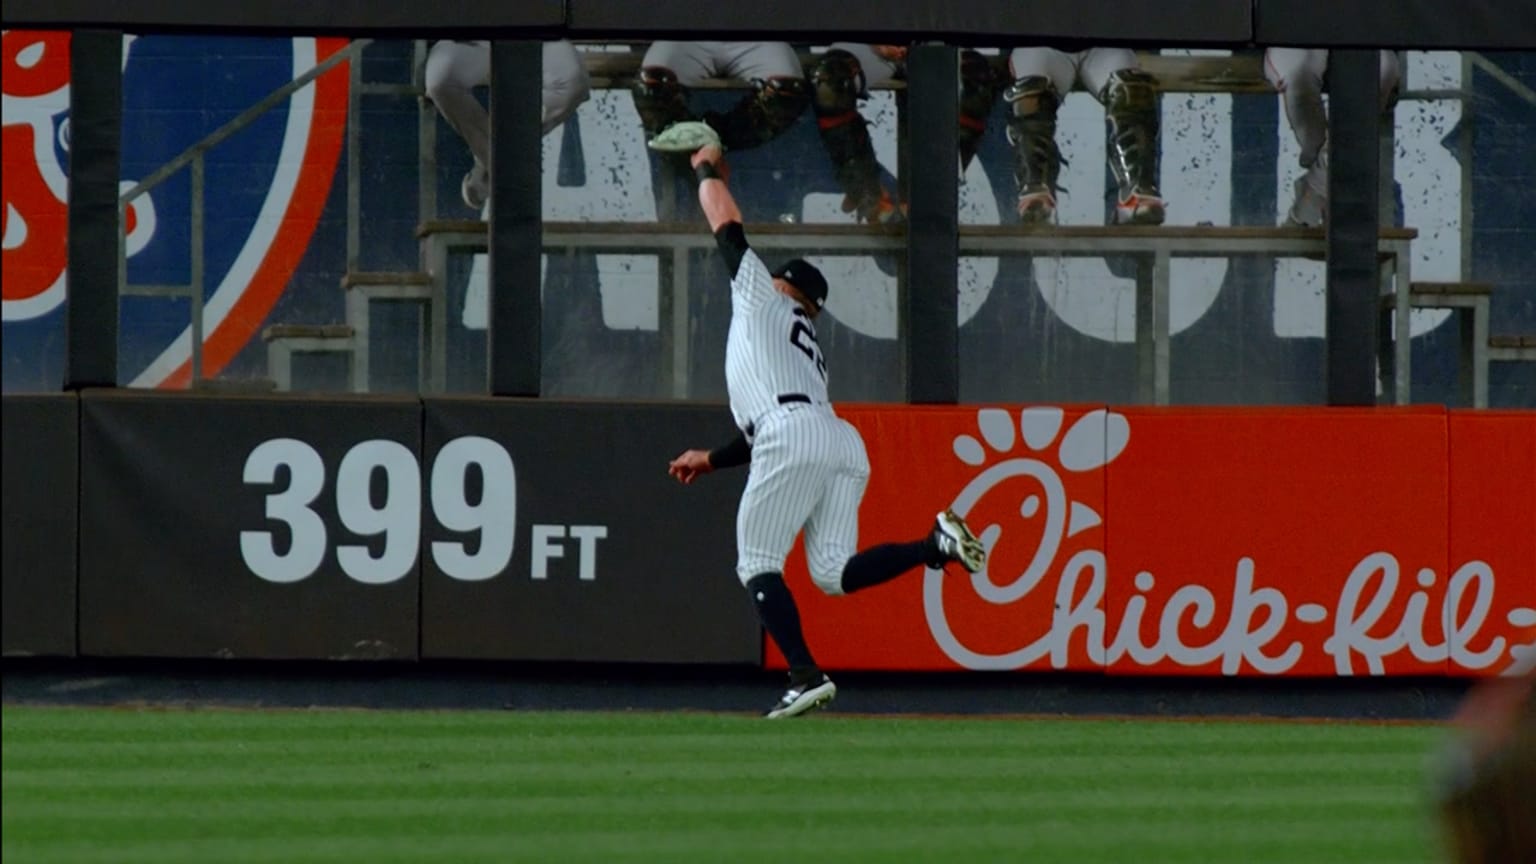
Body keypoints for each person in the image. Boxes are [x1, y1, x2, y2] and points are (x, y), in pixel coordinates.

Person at [664, 130, 988, 719]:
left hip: (792, 430)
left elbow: (726, 226)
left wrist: (707, 168)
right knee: (832, 574)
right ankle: (934, 544)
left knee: (757, 561)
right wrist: (711, 459)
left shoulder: (763, 298)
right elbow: (766, 428)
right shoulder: (805, 339)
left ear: (786, 286)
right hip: (835, 438)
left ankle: (804, 674)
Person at [808, 43, 1000, 224]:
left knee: (975, 83)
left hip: (934, 41)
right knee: (830, 79)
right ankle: (866, 192)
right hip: (869, 43)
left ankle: (930, 195)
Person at [1003, 47, 1165, 225]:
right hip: (1041, 40)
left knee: (1130, 91)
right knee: (1031, 94)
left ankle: (1137, 195)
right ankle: (1035, 192)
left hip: (1104, 41)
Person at [424, 39, 591, 211]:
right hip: (469, 41)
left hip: (538, 39)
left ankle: (491, 158)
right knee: (439, 81)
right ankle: (500, 161)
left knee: (574, 81)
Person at [1264, 49, 1402, 226]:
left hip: (1362, 36)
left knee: (1382, 70)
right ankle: (1314, 202)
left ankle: (1309, 205)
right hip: (1294, 36)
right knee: (1299, 76)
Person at [632, 41, 809, 156]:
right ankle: (691, 145)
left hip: (757, 31)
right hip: (686, 31)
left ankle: (717, 142)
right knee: (652, 87)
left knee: (786, 93)